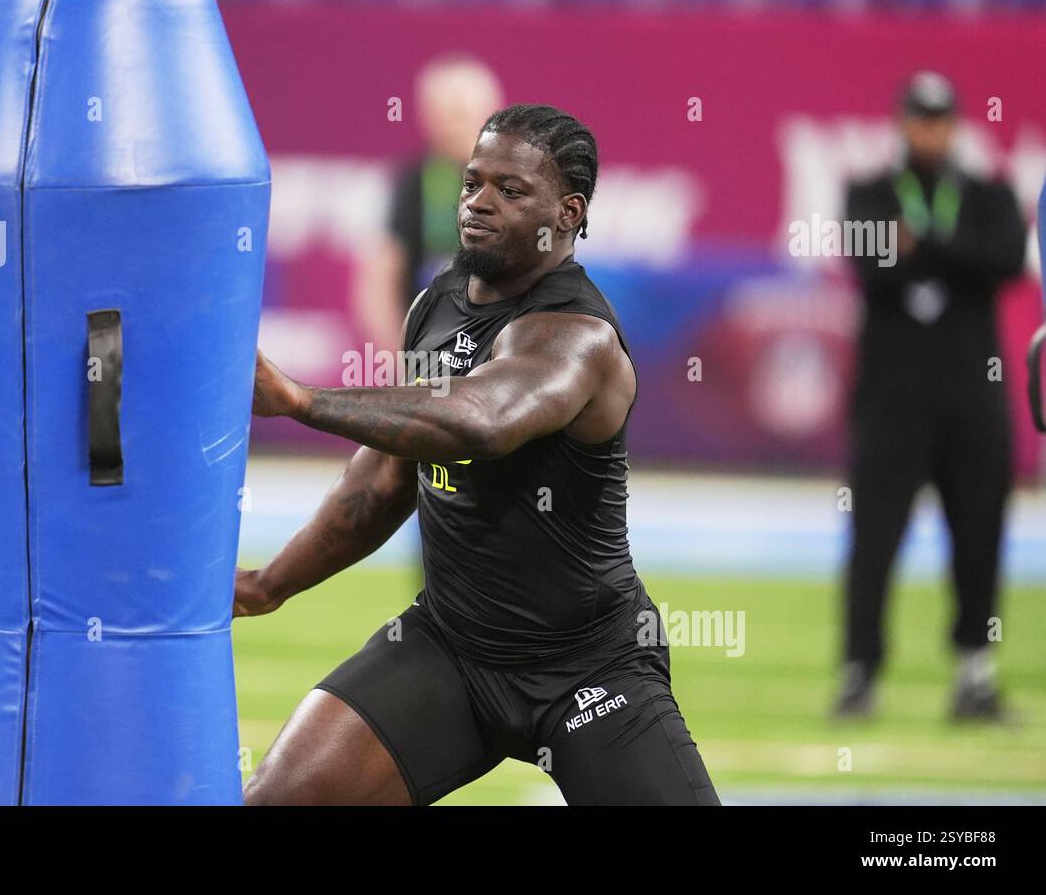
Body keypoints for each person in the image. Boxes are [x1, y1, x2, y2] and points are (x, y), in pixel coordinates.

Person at [237, 104, 720, 805]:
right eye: (472, 184)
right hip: (451, 649)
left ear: (570, 211)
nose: (478, 204)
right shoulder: (434, 305)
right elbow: (384, 476)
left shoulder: (576, 334)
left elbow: (480, 423)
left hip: (588, 667)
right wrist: (269, 584)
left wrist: (298, 400)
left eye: (511, 191)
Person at [833, 71, 1027, 721]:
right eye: (919, 118)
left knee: (979, 533)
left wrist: (924, 245)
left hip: (974, 396)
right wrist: (936, 254)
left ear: (956, 125)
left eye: (941, 119)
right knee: (874, 538)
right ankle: (859, 672)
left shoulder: (988, 191)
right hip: (891, 398)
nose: (930, 130)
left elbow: (1005, 260)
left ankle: (975, 671)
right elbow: (868, 264)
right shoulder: (869, 190)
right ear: (901, 122)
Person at [352, 54, 505, 356]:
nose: (452, 125)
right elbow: (378, 281)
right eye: (442, 113)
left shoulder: (521, 183)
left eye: (462, 113)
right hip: (430, 356)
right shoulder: (412, 182)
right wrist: (398, 355)